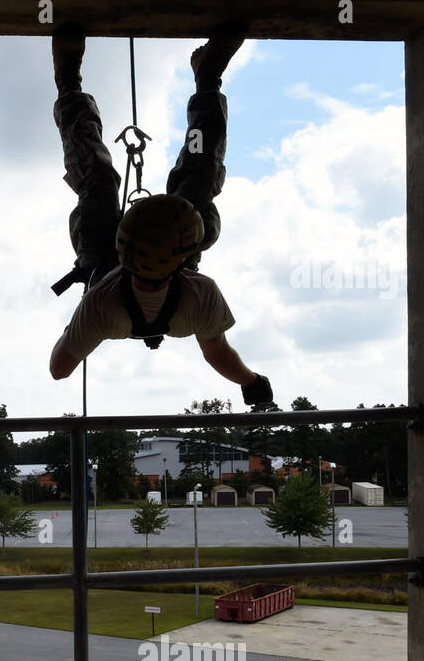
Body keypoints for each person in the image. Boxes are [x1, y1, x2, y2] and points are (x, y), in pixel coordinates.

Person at [46, 23, 274, 409]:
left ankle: (69, 84)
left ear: (124, 239)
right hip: (165, 244)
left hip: (104, 261)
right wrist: (254, 386)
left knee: (99, 182)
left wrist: (82, 326)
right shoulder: (199, 295)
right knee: (196, 178)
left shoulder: (101, 306)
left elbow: (59, 368)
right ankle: (207, 82)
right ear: (183, 263)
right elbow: (217, 352)